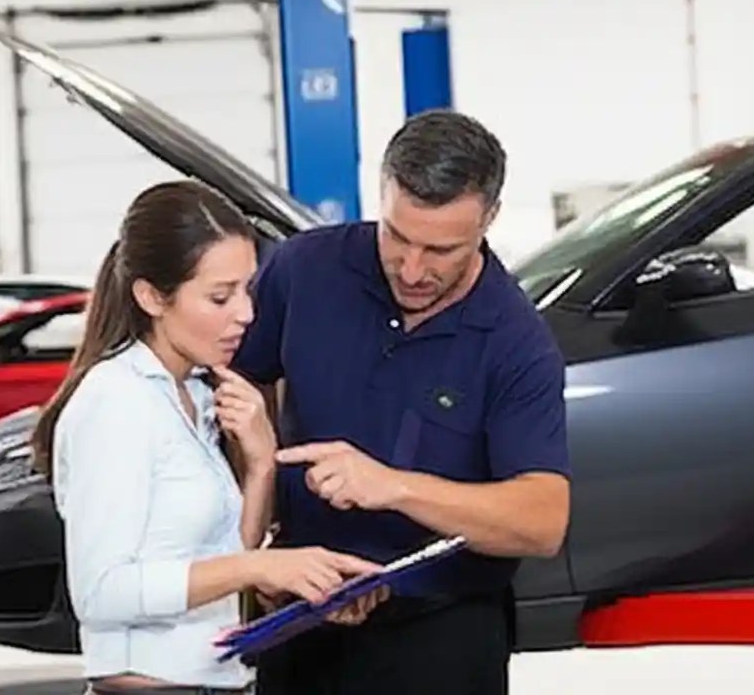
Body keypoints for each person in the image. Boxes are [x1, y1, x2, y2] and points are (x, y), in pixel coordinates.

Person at [231, 110, 572, 695]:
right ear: (381, 195)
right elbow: (234, 388)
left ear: (488, 220)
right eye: (397, 237)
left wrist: (393, 486)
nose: (412, 270)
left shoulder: (517, 342)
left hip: (440, 637)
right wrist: (258, 543)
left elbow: (543, 521)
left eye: (441, 250)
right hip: (298, 616)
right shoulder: (302, 271)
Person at [29, 181, 382, 695]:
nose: (246, 313)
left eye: (247, 290)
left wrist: (261, 466)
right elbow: (101, 592)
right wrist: (261, 564)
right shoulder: (115, 400)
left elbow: (218, 561)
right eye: (220, 296)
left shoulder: (193, 394)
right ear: (151, 296)